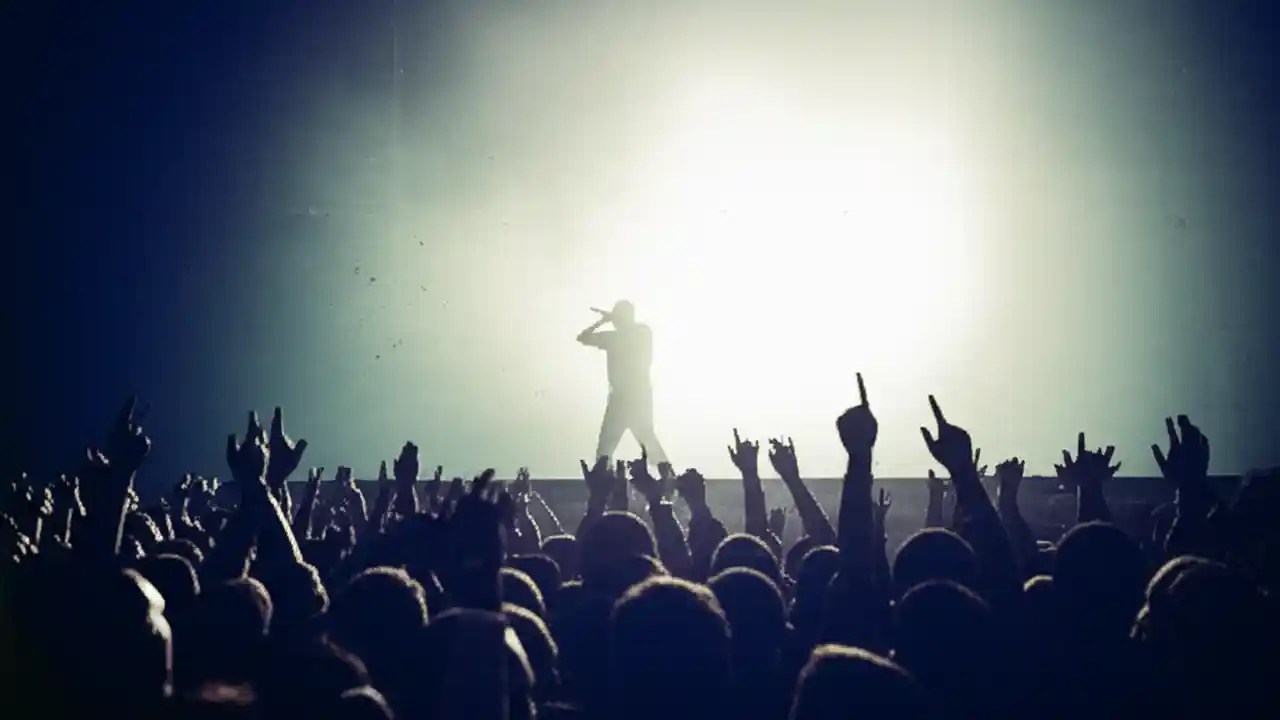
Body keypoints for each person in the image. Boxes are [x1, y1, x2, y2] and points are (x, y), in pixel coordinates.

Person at [576, 301, 668, 464]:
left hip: (637, 397)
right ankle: (603, 481)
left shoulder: (641, 332)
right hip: (620, 398)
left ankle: (670, 482)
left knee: (647, 440)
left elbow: (637, 345)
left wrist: (609, 320)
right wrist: (603, 321)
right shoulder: (614, 338)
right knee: (606, 446)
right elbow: (582, 338)